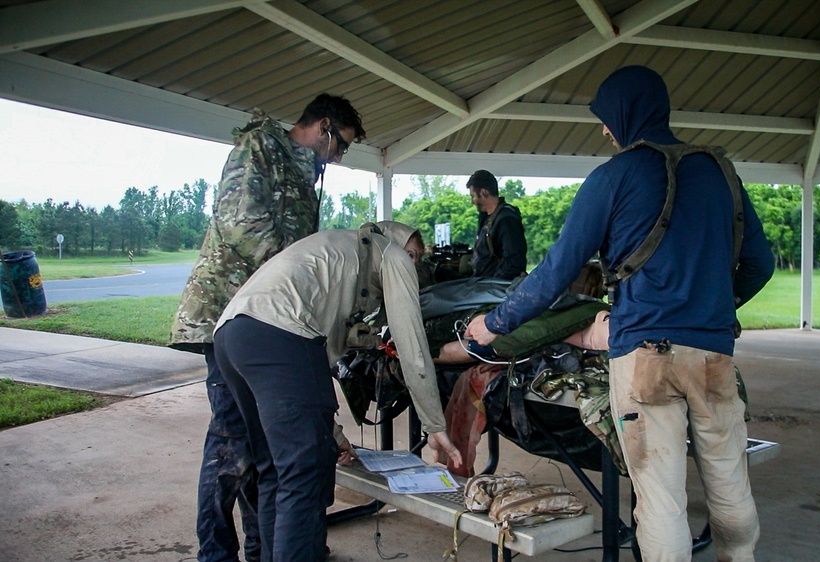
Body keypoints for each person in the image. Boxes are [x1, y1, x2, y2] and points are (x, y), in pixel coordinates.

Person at [465, 65, 775, 561]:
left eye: (607, 120)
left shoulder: (613, 178)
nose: (606, 130)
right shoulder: (721, 172)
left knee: (662, 500)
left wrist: (495, 322)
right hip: (714, 355)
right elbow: (761, 263)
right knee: (730, 484)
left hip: (645, 358)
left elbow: (556, 270)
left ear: (626, 116)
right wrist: (712, 307)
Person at [169, 94, 364, 562]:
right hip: (230, 316)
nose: (337, 157)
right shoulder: (258, 146)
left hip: (274, 324)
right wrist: (289, 279)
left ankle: (266, 549)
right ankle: (215, 555)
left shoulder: (303, 176)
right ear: (321, 126)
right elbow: (241, 225)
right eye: (339, 146)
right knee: (232, 446)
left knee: (269, 449)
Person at [211, 221, 463, 562]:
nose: (414, 266)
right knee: (305, 478)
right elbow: (412, 345)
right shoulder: (393, 255)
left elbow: (306, 379)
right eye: (414, 256)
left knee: (274, 468)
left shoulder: (336, 250)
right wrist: (434, 424)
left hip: (232, 336)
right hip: (279, 335)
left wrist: (333, 434)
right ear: (400, 246)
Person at [466, 170, 527, 280]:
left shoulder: (506, 219)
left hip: (494, 290)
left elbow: (514, 262)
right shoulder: (488, 218)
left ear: (484, 192)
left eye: (473, 196)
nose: (472, 201)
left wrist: (494, 283)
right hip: (483, 286)